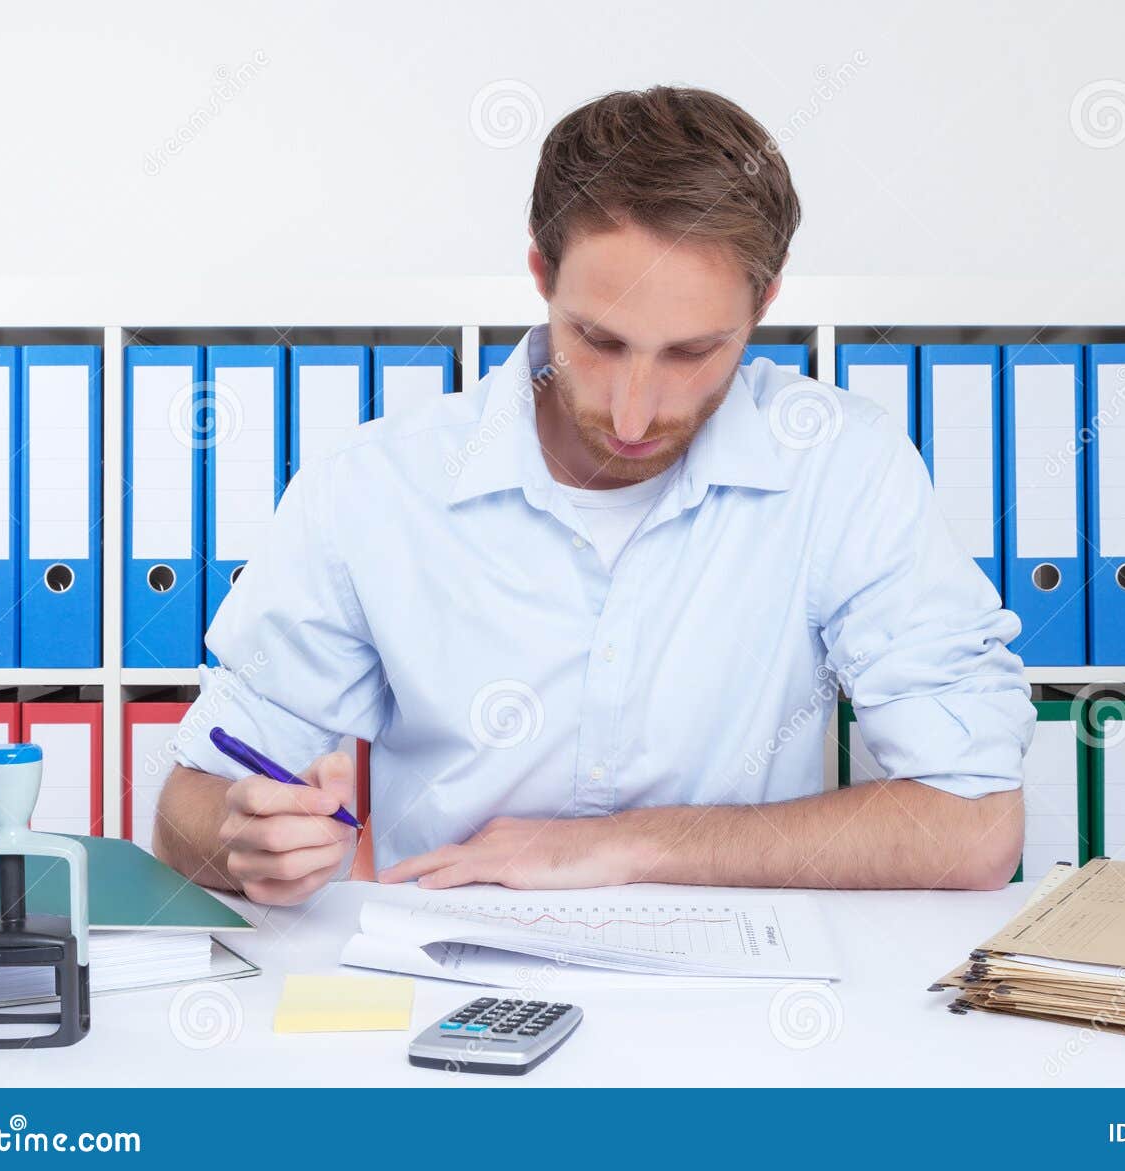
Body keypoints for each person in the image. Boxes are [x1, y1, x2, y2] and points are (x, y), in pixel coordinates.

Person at [155, 85, 1034, 905]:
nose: (633, 410)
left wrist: (627, 846)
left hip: (745, 1015)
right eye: (600, 340)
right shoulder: (371, 489)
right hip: (444, 1003)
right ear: (541, 272)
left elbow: (975, 827)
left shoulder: (844, 467)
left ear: (764, 304)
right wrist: (238, 838)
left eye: (691, 353)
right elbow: (184, 808)